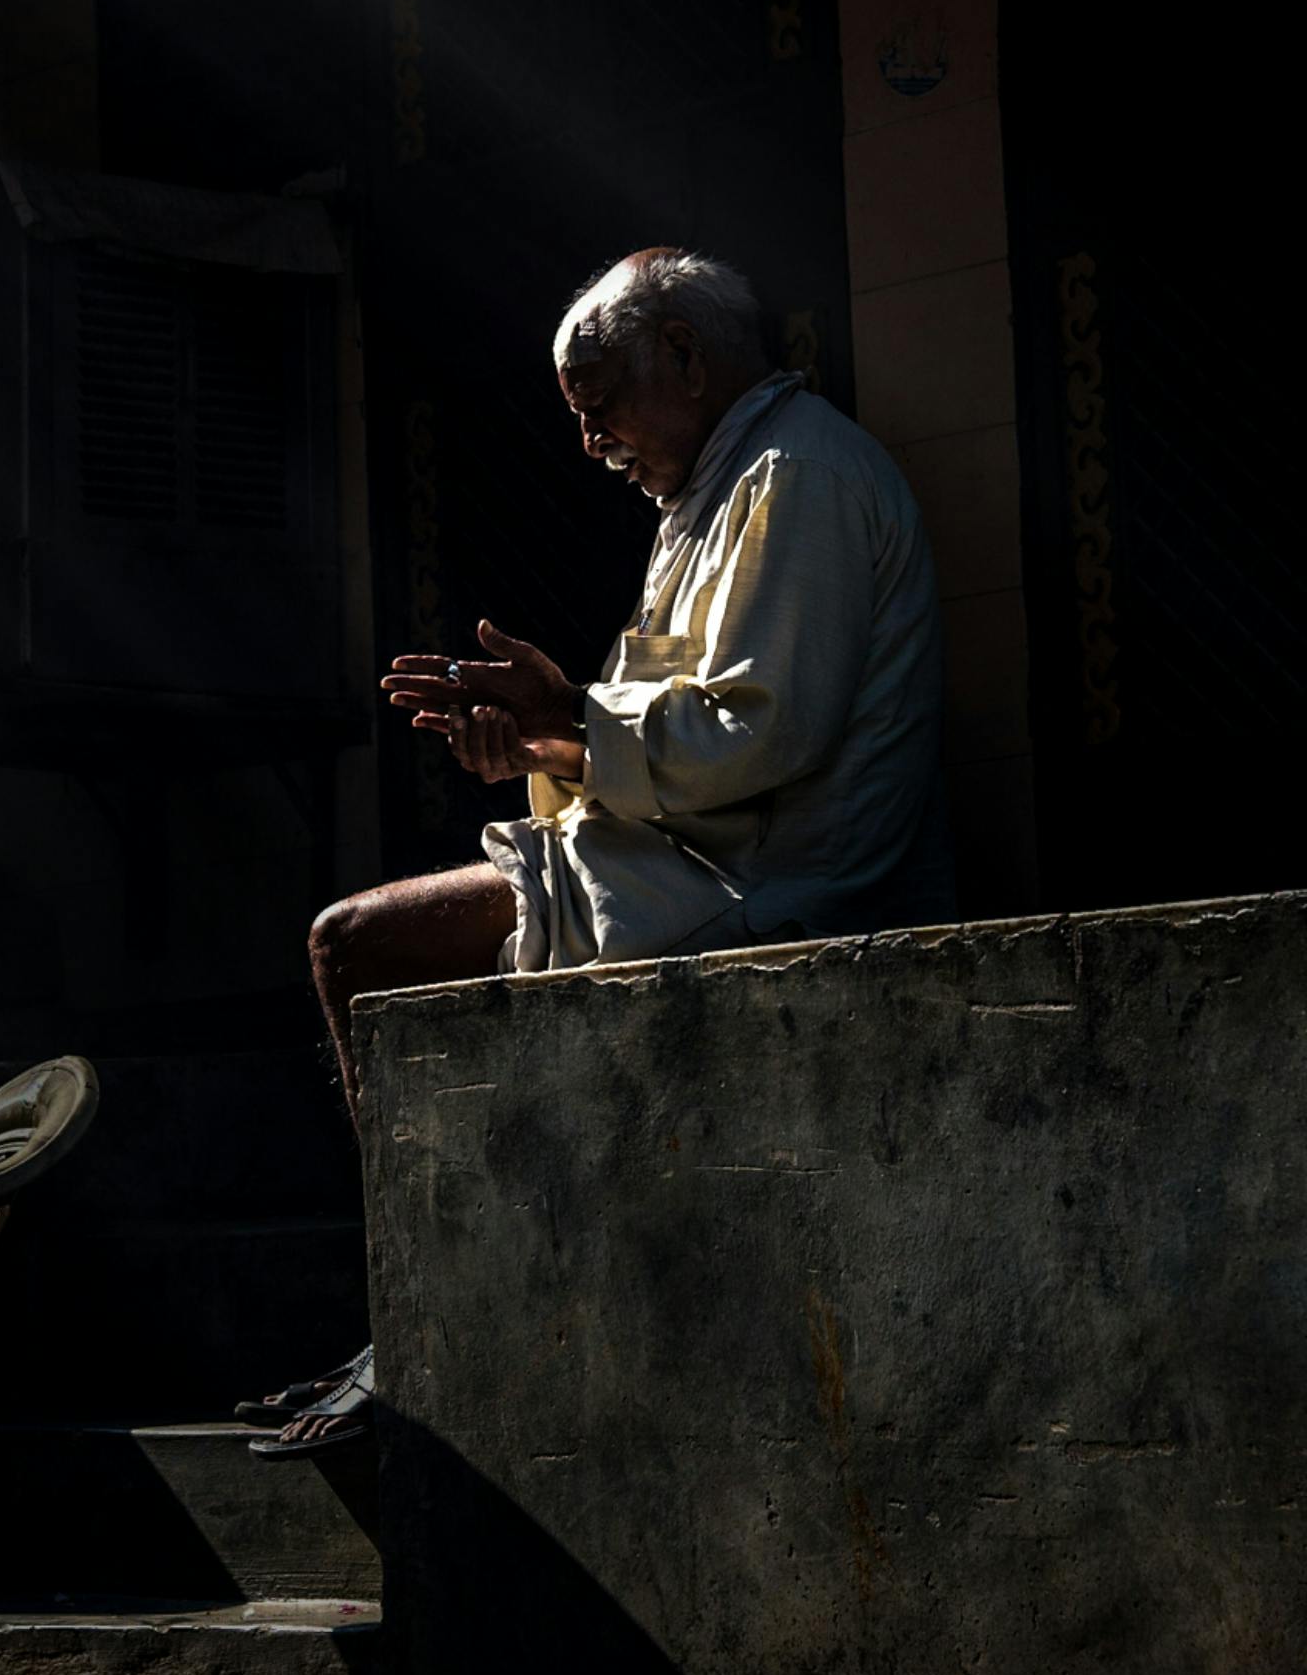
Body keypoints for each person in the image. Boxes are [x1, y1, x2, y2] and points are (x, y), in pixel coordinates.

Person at [242, 246, 952, 1455]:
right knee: (363, 944)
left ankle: (427, 1328)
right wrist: (550, 735)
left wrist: (566, 717)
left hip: (772, 876)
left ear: (683, 352)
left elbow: (758, 731)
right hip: (705, 853)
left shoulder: (798, 471)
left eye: (600, 403)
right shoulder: (727, 489)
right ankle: (428, 1318)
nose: (593, 442)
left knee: (356, 944)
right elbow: (677, 738)